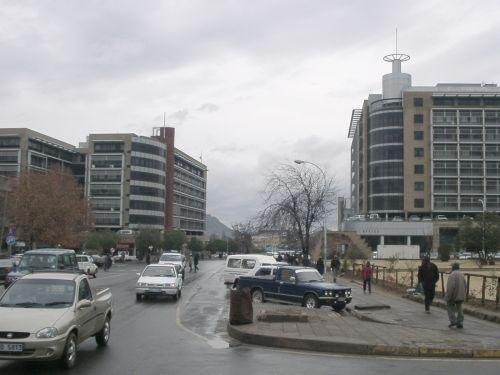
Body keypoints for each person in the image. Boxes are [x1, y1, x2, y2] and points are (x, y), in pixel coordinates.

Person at [445, 262, 467, 328]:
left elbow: (450, 286)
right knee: (459, 307)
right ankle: (460, 322)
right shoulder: (462, 274)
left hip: (453, 294)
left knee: (450, 306)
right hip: (460, 294)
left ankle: (453, 321)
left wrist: (448, 296)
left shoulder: (452, 275)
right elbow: (465, 285)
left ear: (453, 267)